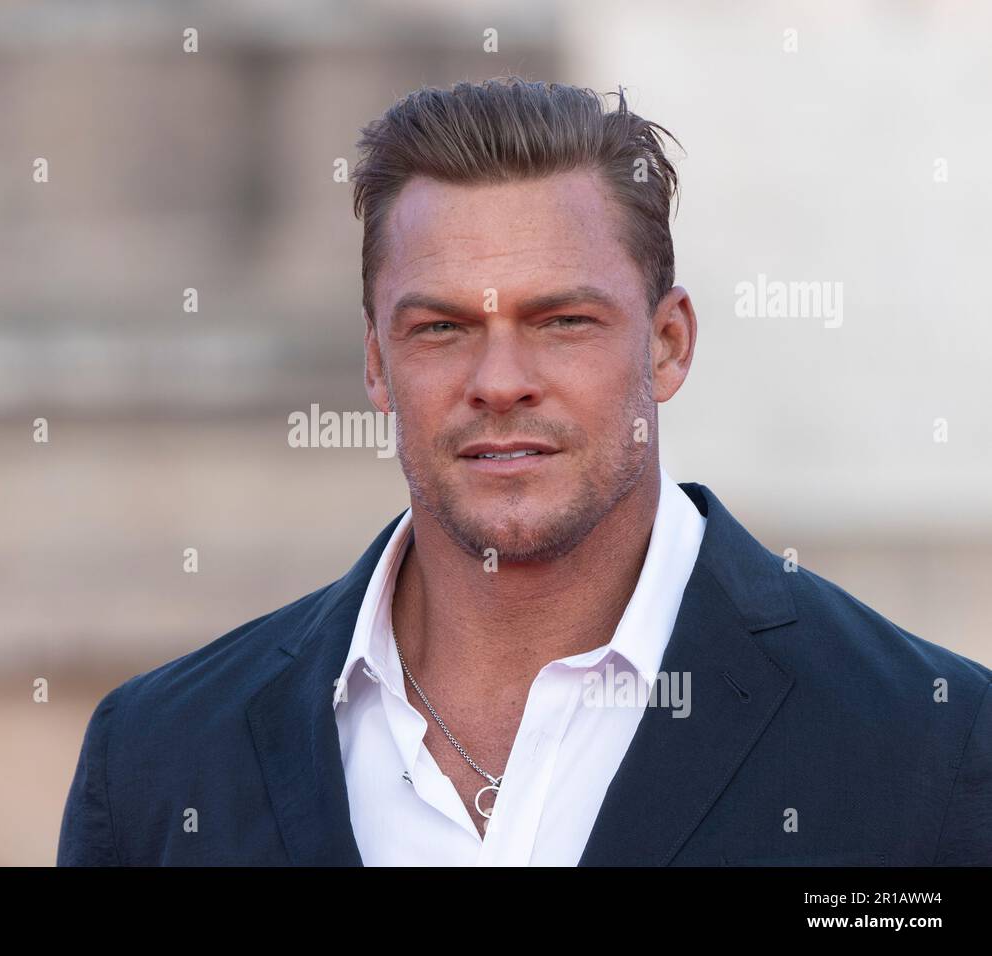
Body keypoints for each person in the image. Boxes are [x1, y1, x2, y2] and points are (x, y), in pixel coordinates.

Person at [58, 76, 991, 866]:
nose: (499, 382)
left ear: (667, 346)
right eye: (442, 329)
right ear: (378, 365)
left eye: (563, 322)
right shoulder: (159, 760)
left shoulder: (928, 744)